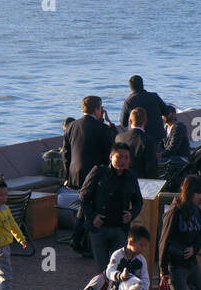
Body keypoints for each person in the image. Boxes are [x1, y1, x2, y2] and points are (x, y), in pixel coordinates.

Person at [79, 142, 142, 277]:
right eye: (119, 157)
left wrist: (131, 214)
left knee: (118, 269)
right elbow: (83, 197)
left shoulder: (131, 177)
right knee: (103, 272)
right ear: (111, 156)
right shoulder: (99, 172)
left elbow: (138, 202)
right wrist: (92, 216)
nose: (123, 161)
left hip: (120, 230)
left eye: (126, 158)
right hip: (99, 229)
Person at [63, 97, 115, 256]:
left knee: (84, 204)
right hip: (95, 174)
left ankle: (79, 240)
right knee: (90, 206)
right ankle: (81, 241)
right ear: (97, 110)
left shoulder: (71, 126)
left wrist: (68, 176)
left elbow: (66, 153)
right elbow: (111, 150)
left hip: (76, 173)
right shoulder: (102, 128)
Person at [119, 75, 170, 147]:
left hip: (137, 138)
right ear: (142, 85)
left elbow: (123, 123)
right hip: (157, 136)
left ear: (131, 87)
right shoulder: (154, 96)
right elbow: (167, 112)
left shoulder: (128, 101)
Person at [115, 107, 159, 180]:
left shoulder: (119, 138)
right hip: (141, 180)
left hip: (121, 178)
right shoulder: (149, 140)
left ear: (130, 121)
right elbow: (151, 167)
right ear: (145, 121)